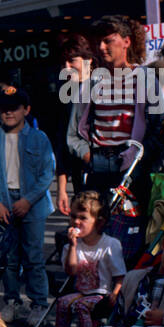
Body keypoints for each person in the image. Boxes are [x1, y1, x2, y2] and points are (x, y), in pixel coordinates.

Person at [0, 85, 55, 326]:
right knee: (9, 258)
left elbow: (46, 172)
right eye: (4, 109)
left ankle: (39, 304)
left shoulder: (39, 138)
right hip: (4, 202)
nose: (8, 113)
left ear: (26, 110)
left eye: (14, 108)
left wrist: (28, 200)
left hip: (32, 203)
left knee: (33, 256)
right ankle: (13, 302)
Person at [45, 190, 125, 327]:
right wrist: (72, 246)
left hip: (102, 292)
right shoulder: (71, 245)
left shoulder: (109, 245)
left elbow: (120, 275)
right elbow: (71, 271)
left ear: (99, 222)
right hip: (81, 290)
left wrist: (116, 293)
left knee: (82, 306)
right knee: (63, 303)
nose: (76, 222)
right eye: (73, 217)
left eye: (83, 218)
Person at [77, 15, 148, 198]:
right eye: (98, 42)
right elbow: (73, 130)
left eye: (108, 41)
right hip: (98, 160)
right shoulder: (91, 83)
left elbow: (157, 125)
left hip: (133, 163)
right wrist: (87, 155)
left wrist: (137, 155)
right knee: (96, 222)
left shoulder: (145, 78)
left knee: (130, 222)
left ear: (126, 42)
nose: (101, 47)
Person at [58, 35, 98, 215]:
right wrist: (61, 189)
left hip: (104, 171)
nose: (66, 67)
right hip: (78, 176)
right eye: (63, 62)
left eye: (72, 60)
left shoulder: (103, 86)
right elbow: (62, 144)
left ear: (88, 60)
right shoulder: (65, 95)